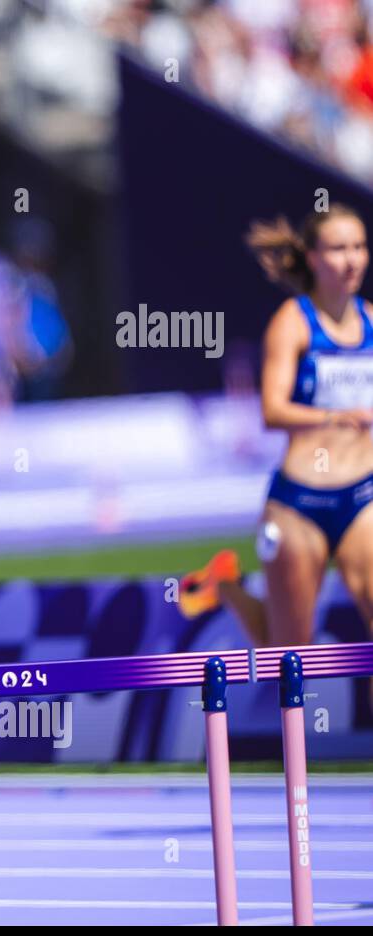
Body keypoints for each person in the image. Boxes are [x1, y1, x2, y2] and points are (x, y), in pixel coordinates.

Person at [181, 208, 373, 677]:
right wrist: (336, 416)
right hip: (299, 504)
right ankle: (225, 583)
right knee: (285, 653)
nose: (351, 260)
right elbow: (272, 411)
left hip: (364, 495)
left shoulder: (370, 320)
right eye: (338, 248)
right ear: (312, 257)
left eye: (359, 247)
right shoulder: (293, 322)